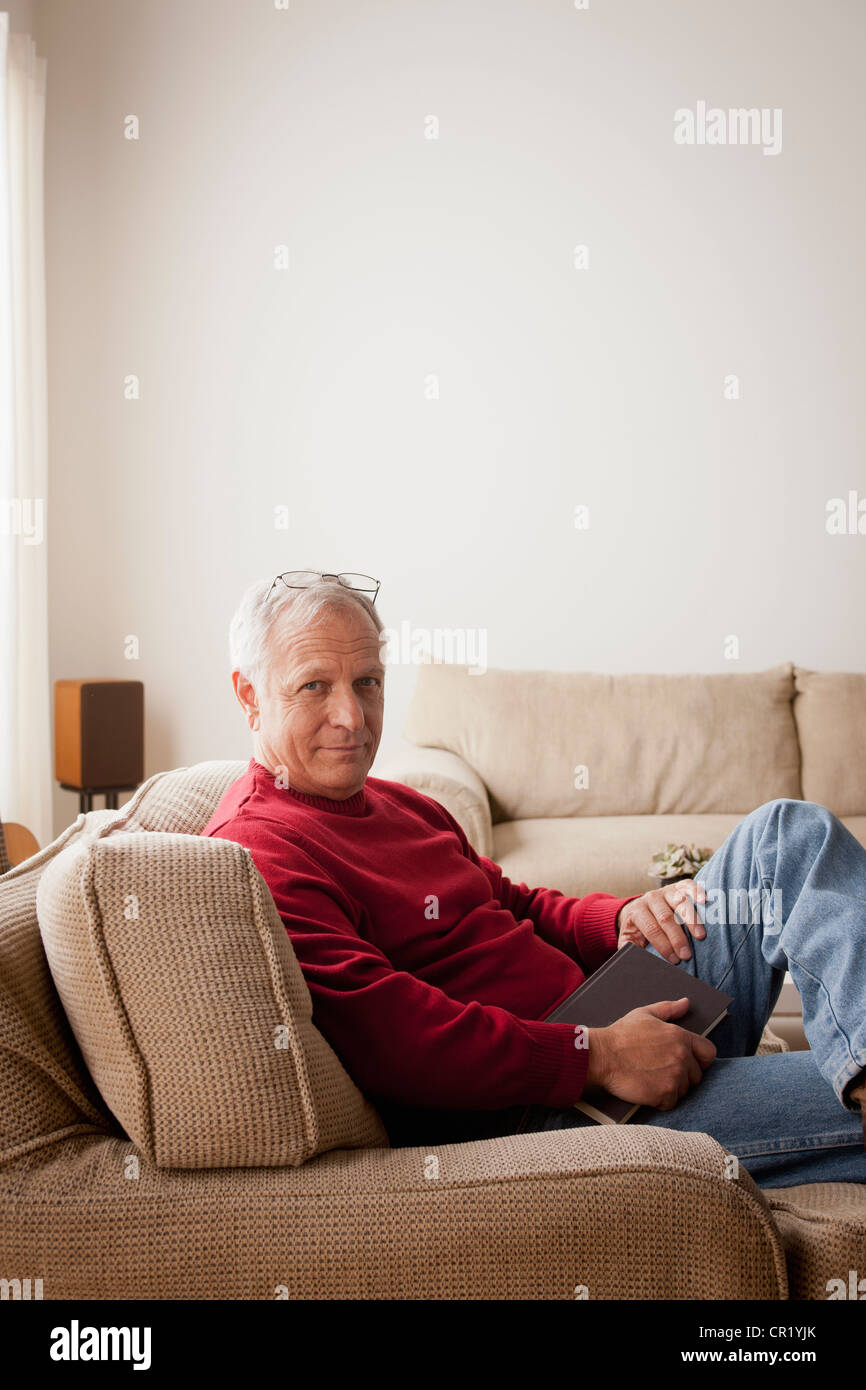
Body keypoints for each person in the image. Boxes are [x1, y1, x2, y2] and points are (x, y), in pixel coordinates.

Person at [201, 571, 866, 1189]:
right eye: (315, 685)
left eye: (368, 681)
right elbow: (395, 1041)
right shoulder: (258, 850)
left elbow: (508, 900)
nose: (351, 716)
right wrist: (598, 1058)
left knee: (786, 834)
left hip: (614, 1027)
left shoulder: (401, 804)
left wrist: (616, 921)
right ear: (249, 695)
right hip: (538, 1115)